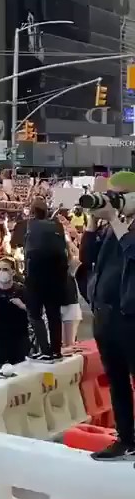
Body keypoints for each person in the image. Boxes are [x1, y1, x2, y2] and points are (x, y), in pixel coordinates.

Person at [79, 170, 135, 461]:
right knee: (117, 380)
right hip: (105, 316)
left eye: (119, 196)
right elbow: (86, 257)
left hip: (131, 318)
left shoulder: (123, 227)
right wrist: (92, 222)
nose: (113, 201)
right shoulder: (112, 228)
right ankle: (125, 439)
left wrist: (115, 220)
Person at [23, 196, 69, 361]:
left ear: (32, 211)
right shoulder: (57, 226)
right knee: (54, 315)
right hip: (56, 278)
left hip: (35, 277)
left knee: (34, 315)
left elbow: (26, 251)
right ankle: (56, 350)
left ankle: (45, 349)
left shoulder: (30, 225)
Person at [0, 257, 32, 369]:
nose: (1, 272)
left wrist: (21, 305)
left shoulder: (21, 290)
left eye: (5, 269)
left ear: (13, 272)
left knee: (19, 371)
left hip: (18, 338)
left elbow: (33, 312)